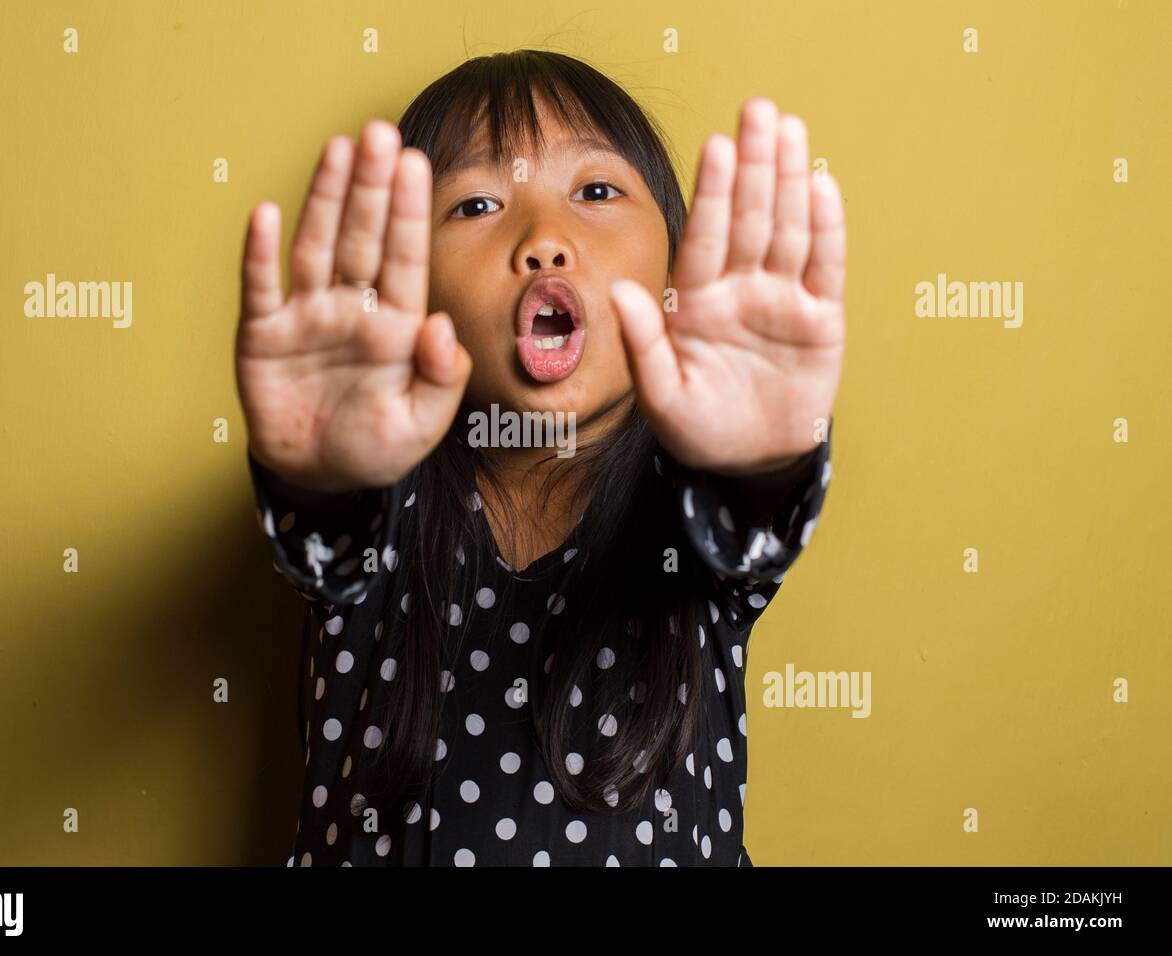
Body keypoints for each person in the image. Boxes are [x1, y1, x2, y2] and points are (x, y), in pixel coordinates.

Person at [235, 50, 845, 866]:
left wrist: (761, 456)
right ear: (410, 287)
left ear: (675, 263)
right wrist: (325, 473)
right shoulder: (380, 502)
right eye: (477, 203)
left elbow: (751, 523)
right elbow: (329, 533)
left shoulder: (687, 509)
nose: (544, 241)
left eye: (595, 192)